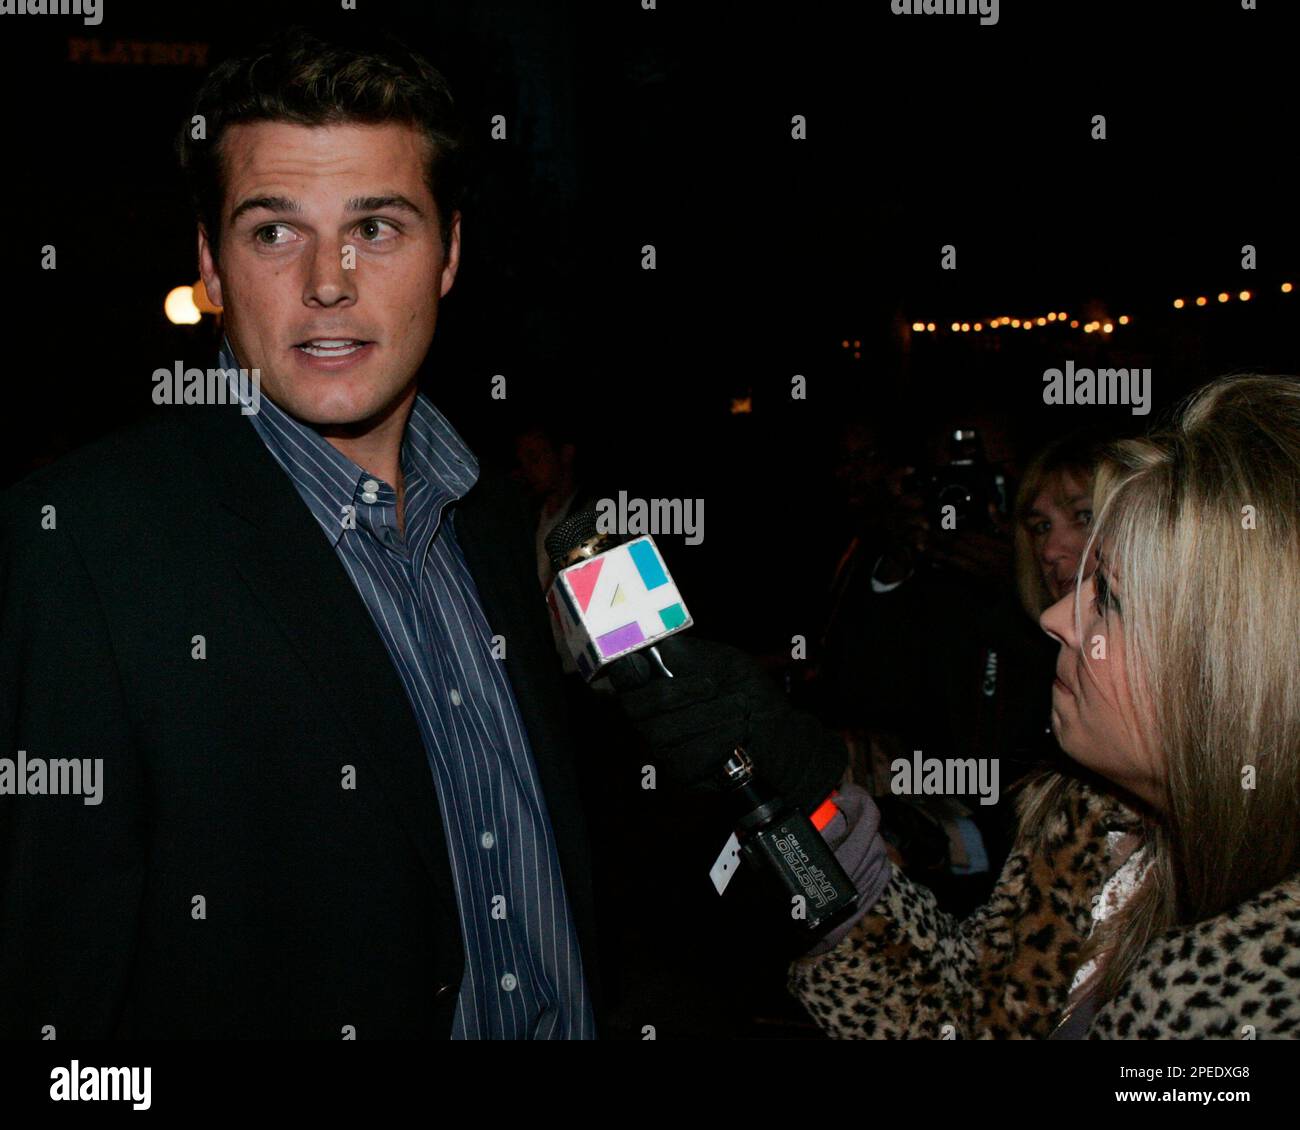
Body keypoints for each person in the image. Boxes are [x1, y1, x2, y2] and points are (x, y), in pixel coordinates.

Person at [0, 25, 609, 1040]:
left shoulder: (499, 524)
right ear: (211, 265)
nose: (329, 279)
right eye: (274, 231)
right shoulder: (85, 544)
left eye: (378, 227)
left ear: (449, 252)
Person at [786, 373, 1300, 1038]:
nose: (1059, 614)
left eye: (1108, 596)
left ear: (1231, 664)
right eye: (1040, 526)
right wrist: (833, 862)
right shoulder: (1088, 829)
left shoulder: (1252, 997)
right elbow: (970, 1022)